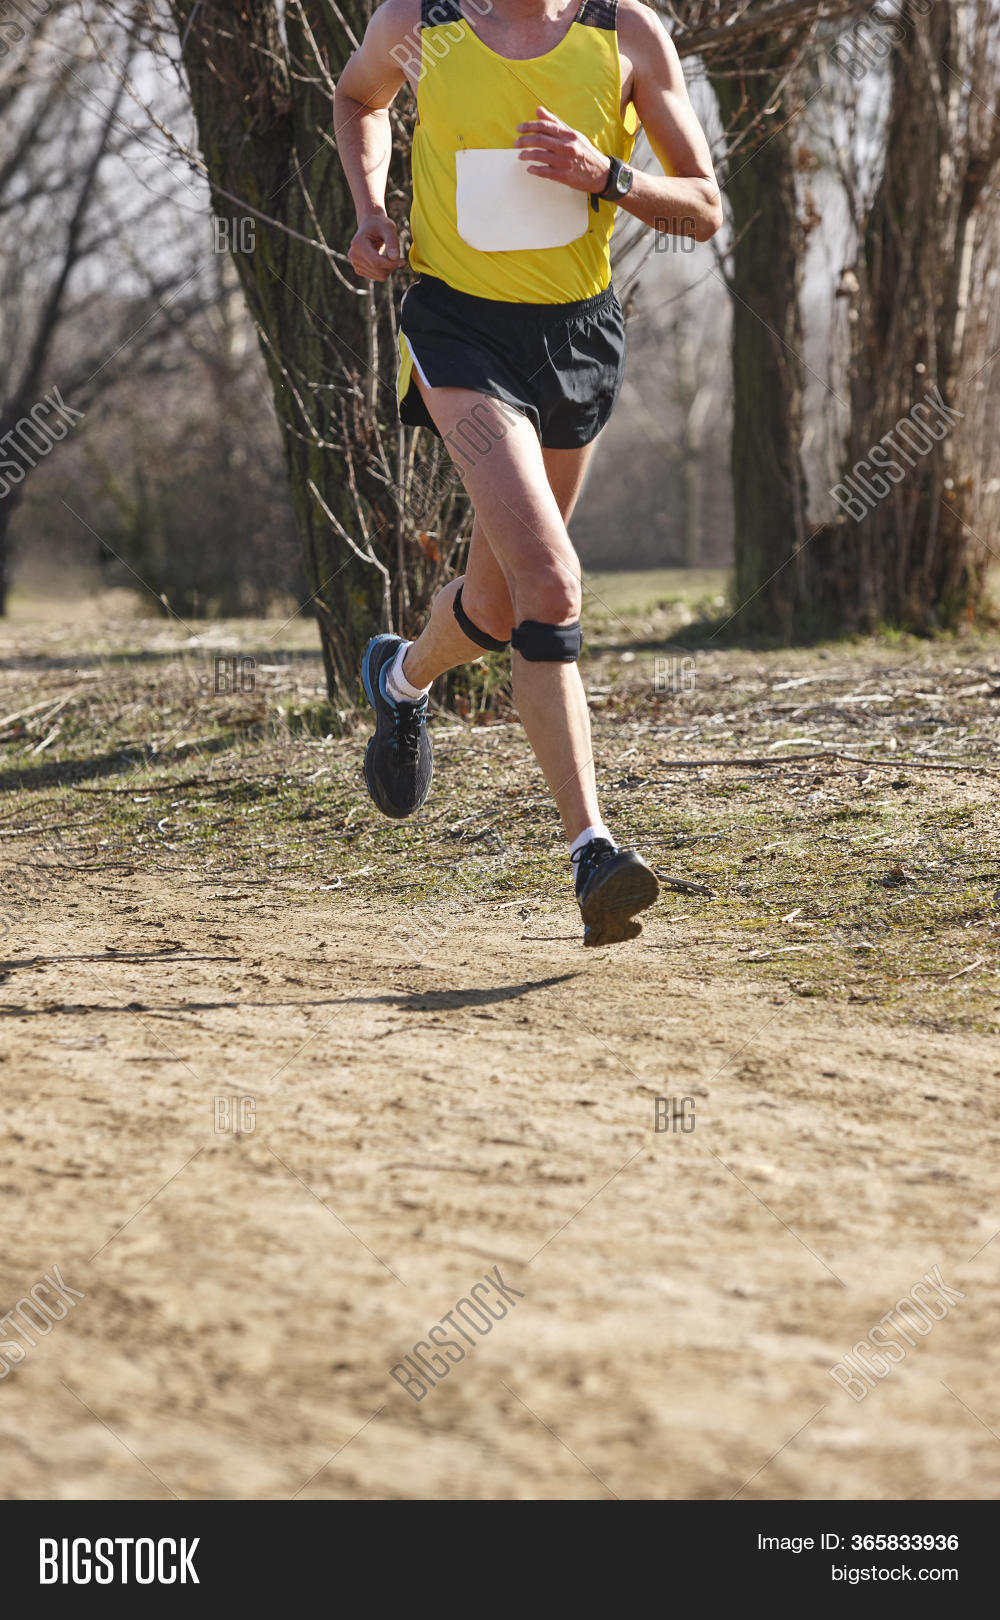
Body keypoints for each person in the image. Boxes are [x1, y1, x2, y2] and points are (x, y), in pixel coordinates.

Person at [335, 0, 721, 945]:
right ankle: (592, 848)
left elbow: (704, 207)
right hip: (456, 332)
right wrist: (372, 210)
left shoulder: (626, 33)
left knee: (504, 606)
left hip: (578, 338)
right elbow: (356, 100)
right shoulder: (420, 20)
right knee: (552, 581)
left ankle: (401, 679)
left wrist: (609, 175)